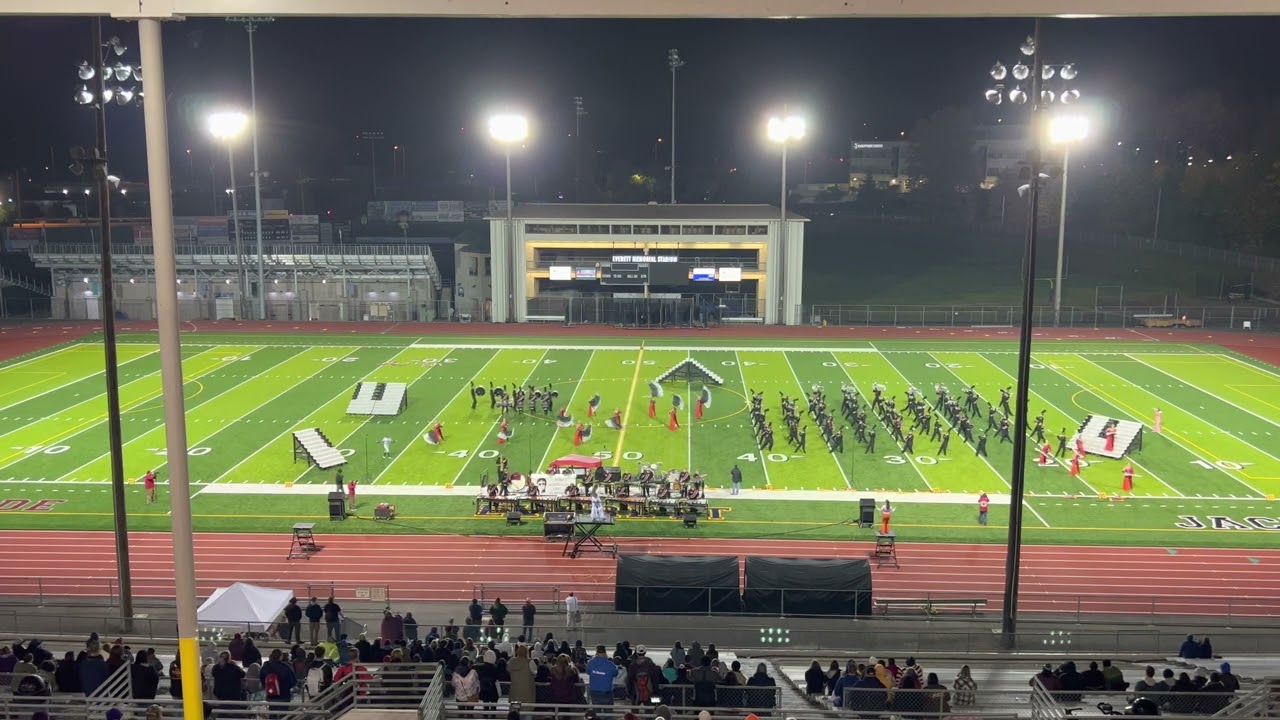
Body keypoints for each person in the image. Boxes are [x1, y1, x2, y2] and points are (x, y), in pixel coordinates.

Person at [261, 648, 297, 718]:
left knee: (272, 713)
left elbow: (262, 678)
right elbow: (293, 681)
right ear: (281, 657)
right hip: (284, 696)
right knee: (283, 714)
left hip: (271, 695)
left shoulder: (266, 666)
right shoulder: (285, 667)